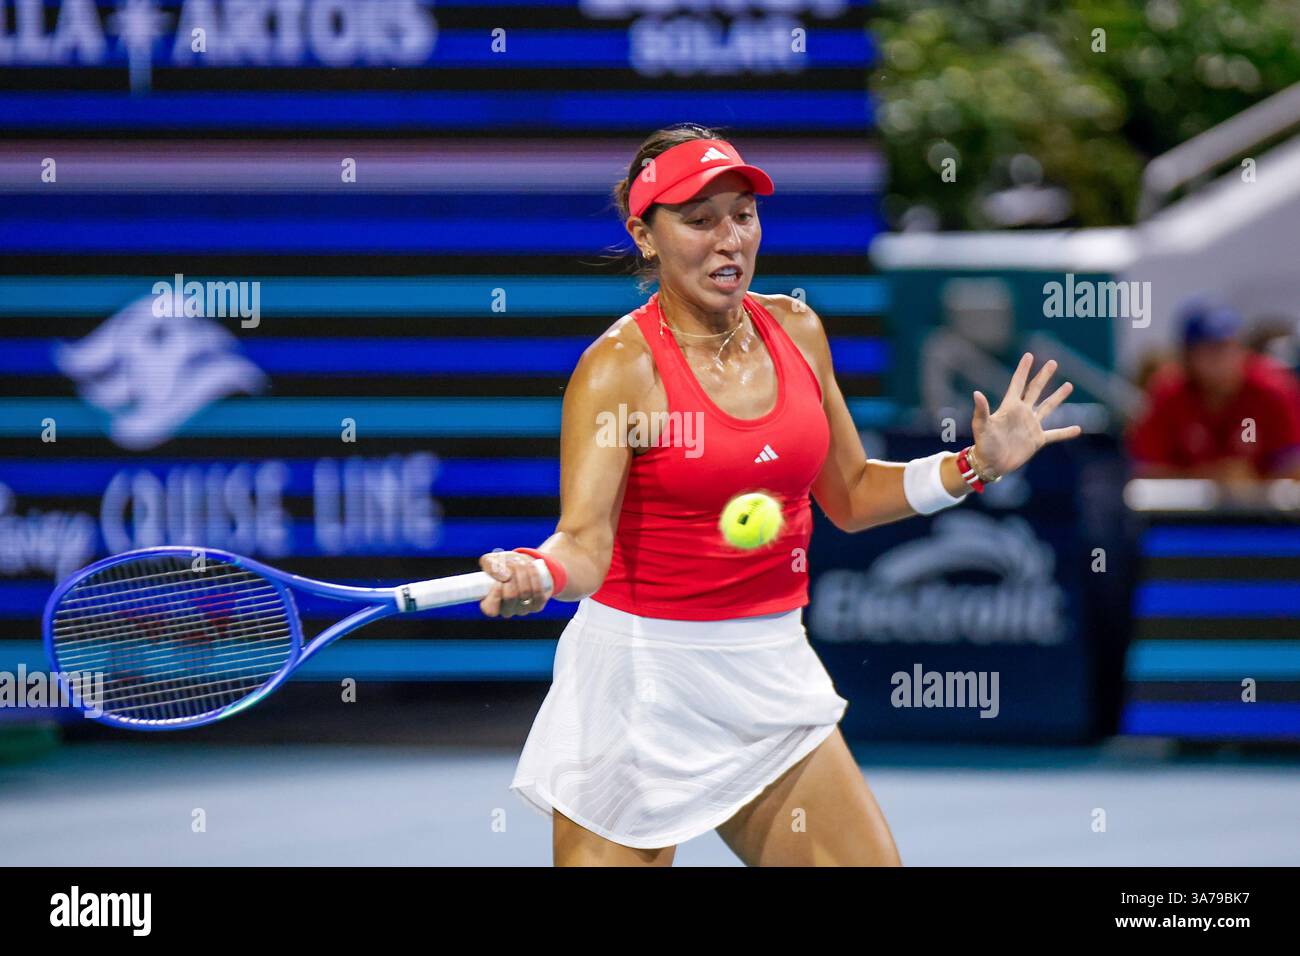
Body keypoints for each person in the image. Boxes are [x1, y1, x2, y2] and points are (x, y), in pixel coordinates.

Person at [477, 123, 1080, 866]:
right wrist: (540, 571)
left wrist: (974, 466)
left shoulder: (798, 329)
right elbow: (586, 543)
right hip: (640, 685)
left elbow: (853, 494)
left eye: (743, 214)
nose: (729, 239)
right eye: (699, 221)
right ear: (645, 235)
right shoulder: (619, 369)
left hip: (769, 668)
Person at [1127, 297, 1300, 482]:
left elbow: (1294, 465)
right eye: (1210, 349)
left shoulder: (1272, 389)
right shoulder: (1169, 393)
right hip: (1183, 509)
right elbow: (1143, 469)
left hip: (1264, 508)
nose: (1222, 358)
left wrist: (1254, 481)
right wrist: (1209, 478)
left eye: (1229, 346)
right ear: (1189, 356)